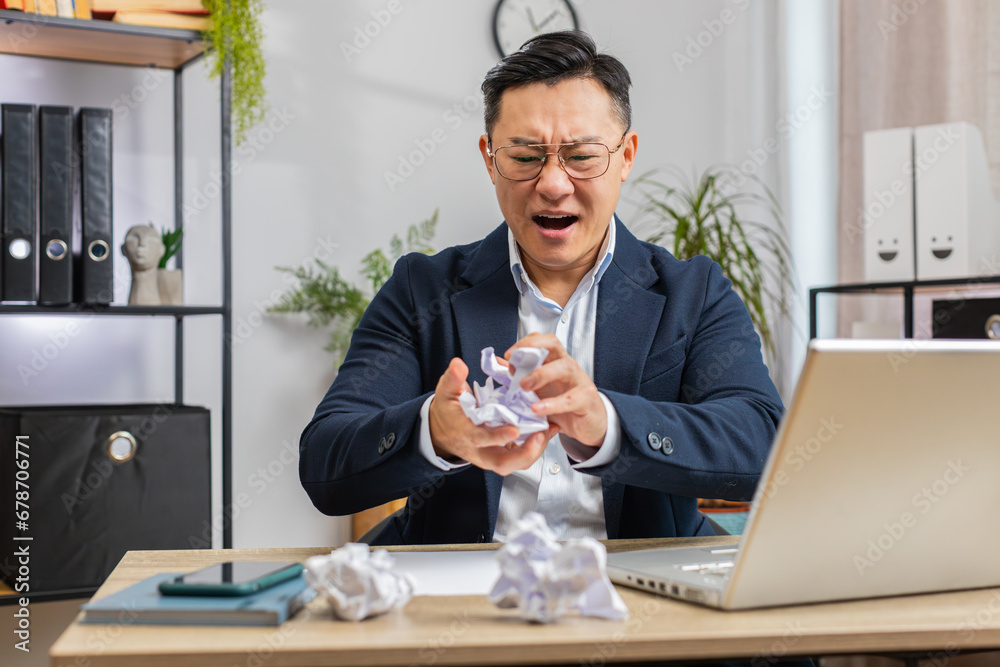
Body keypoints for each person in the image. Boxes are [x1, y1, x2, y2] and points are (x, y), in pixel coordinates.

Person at [299, 30, 783, 546]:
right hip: (462, 600)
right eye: (526, 157)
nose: (553, 184)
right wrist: (435, 431)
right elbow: (326, 462)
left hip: (636, 596)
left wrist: (607, 424)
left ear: (626, 157)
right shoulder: (422, 290)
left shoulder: (695, 291)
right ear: (490, 159)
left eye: (582, 155)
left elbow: (761, 448)